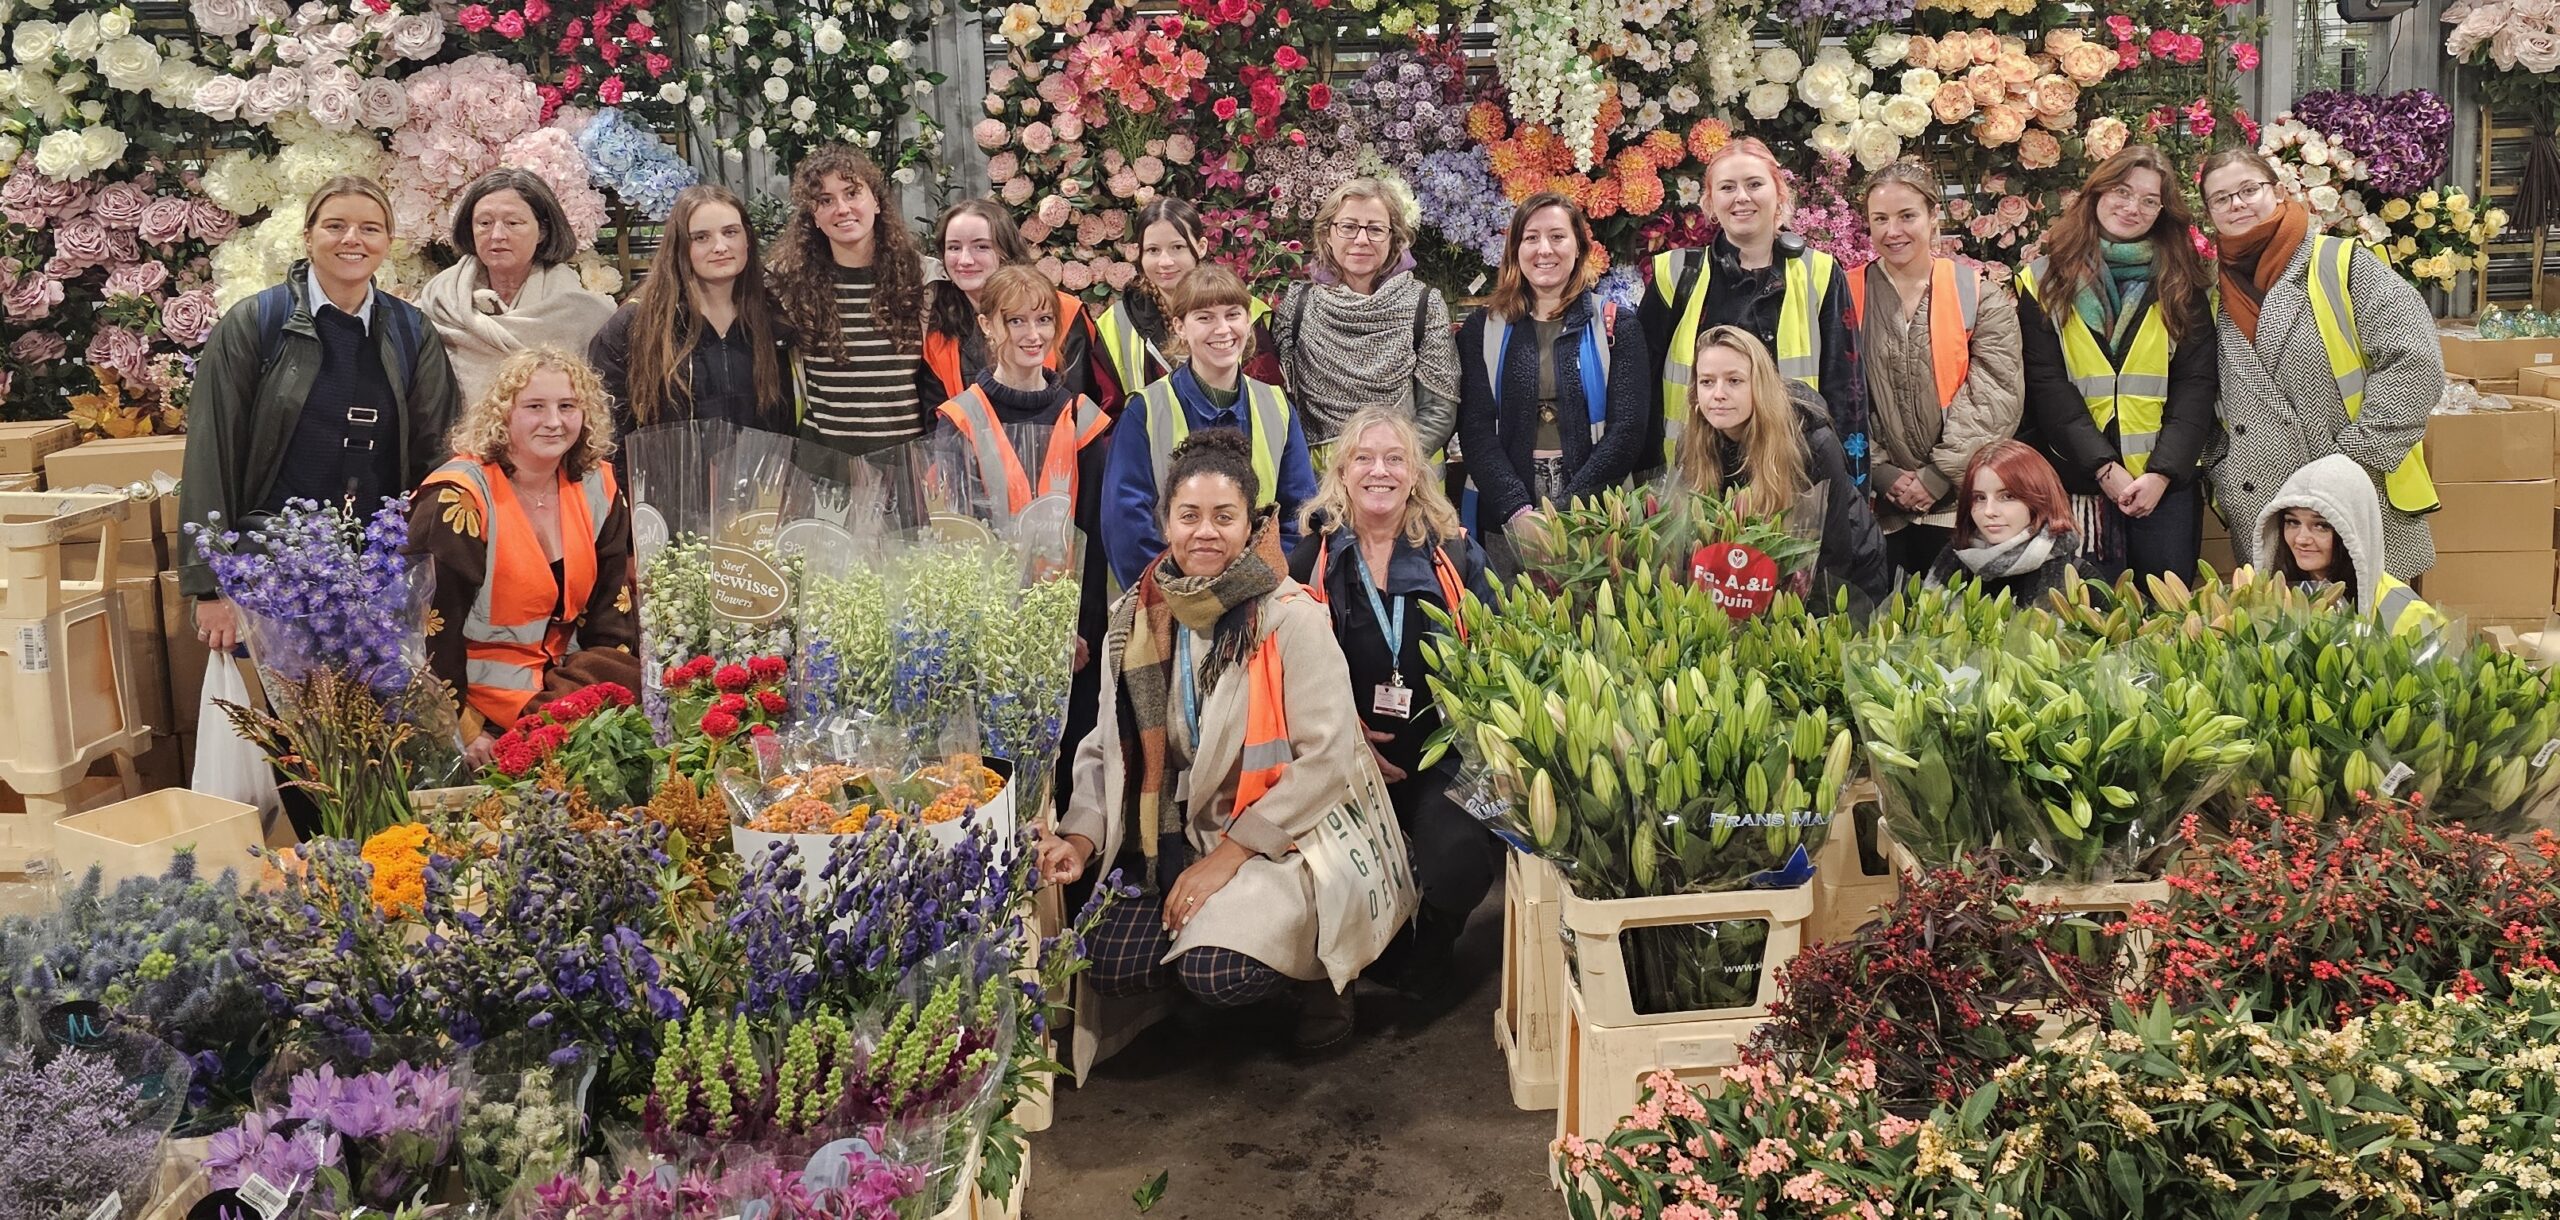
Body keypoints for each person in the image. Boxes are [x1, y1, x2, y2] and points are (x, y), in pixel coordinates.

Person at [1041, 428, 1378, 1053]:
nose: (1205, 532)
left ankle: (1316, 982)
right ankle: (1192, 957)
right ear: (1165, 522)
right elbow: (1104, 748)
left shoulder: (1289, 616)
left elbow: (1327, 760)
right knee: (1107, 962)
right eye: (1189, 515)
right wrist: (1082, 837)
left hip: (1277, 839)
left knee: (1219, 972)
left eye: (1224, 517)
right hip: (1171, 839)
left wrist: (1228, 856)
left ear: (1250, 526)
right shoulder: (1134, 615)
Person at [180, 175, 461, 652]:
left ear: (388, 243)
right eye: (336, 226)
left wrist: (440, 566)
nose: (353, 239)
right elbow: (212, 453)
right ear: (308, 237)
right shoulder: (256, 324)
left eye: (370, 229)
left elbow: (439, 456)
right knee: (287, 718)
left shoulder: (412, 331)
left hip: (378, 567)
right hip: (272, 564)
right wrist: (209, 586)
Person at [1288, 407, 1497, 999]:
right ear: (1342, 472)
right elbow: (1284, 675)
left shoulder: (1454, 556)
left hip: (1438, 756)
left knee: (1460, 865)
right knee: (1320, 877)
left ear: (1416, 474)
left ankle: (1428, 949)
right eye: (1364, 458)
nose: (1379, 471)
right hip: (1341, 758)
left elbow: (1498, 654)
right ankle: (1336, 980)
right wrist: (1344, 736)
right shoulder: (1314, 561)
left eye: (1394, 459)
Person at [2202, 147, 2441, 582]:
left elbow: (2415, 358)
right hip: (2264, 509)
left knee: (2376, 640)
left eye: (2248, 190)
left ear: (2277, 191)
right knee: (2278, 640)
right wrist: (2224, 464)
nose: (2236, 204)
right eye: (2221, 198)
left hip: (2355, 493)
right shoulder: (2211, 291)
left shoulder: (2340, 263)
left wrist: (2353, 461)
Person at [412, 347, 640, 763]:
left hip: (564, 693)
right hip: (479, 706)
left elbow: (613, 619)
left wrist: (605, 715)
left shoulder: (599, 486)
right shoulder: (457, 499)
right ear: (504, 415)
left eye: (567, 406)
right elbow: (427, 633)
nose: (554, 422)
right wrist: (465, 730)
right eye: (535, 406)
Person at [2013, 147, 2218, 583]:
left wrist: (2161, 474)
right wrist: (2103, 468)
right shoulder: (2043, 280)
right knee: (2084, 621)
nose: (2133, 208)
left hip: (2164, 487)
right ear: (2097, 193)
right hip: (2077, 479)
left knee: (2167, 621)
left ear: (2164, 211)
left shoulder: (2183, 279)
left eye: (2149, 200)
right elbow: (2047, 385)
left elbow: (2195, 385)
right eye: (2122, 192)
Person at [930, 263, 1113, 714]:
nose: (1032, 334)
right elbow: (959, 542)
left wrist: (1078, 627)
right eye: (1016, 321)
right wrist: (1002, 628)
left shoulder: (1081, 418)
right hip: (989, 635)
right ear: (987, 326)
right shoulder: (961, 419)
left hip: (1074, 638)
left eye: (1043, 319)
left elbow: (1096, 534)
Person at [1641, 138, 1864, 482]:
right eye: (1727, 187)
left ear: (1779, 195)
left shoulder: (1818, 274)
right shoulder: (1676, 275)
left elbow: (1846, 389)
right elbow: (1643, 388)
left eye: (1754, 184)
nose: (1741, 197)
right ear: (1711, 202)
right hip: (1696, 478)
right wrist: (1648, 484)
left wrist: (1851, 490)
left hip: (1794, 476)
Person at [1851, 161, 2026, 579]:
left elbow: (1996, 395)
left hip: (1959, 508)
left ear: (1934, 217)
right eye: (1880, 219)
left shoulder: (1978, 294)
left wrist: (1937, 476)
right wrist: (1881, 473)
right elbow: (1836, 394)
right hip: (1877, 508)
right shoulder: (1844, 293)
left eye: (1907, 216)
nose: (1893, 231)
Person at [1101, 265, 1318, 589]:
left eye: (1233, 315)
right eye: (1204, 317)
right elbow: (1126, 525)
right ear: (1180, 327)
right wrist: (1180, 595)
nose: (1222, 329)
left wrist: (1260, 584)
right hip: (1170, 600)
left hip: (1260, 600)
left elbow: (1298, 515)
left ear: (1248, 321)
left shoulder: (1276, 407)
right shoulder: (1145, 411)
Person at [1454, 192, 1648, 553]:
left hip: (1597, 506)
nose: (1544, 249)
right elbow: (1475, 429)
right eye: (1531, 238)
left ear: (1578, 248)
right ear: (1515, 251)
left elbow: (1627, 432)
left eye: (1558, 237)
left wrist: (1566, 511)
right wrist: (1518, 511)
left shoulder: (1616, 327)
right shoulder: (1483, 329)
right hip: (1504, 509)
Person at [1675, 325, 1890, 604]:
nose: (1718, 393)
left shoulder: (1812, 442)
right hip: (1752, 580)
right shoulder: (1690, 443)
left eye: (1734, 381)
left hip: (1844, 577)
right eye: (1706, 381)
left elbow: (1834, 551)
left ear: (1760, 385)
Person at [1272, 175, 1459, 456]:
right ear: (1327, 234)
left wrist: (1389, 465)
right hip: (1319, 483)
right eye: (1348, 227)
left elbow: (1439, 410)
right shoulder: (1298, 304)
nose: (1361, 240)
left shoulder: (1423, 304)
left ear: (1394, 238)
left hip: (1403, 480)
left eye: (1375, 229)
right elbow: (1283, 407)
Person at [771, 144, 939, 456]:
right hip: (824, 469)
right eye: (825, 200)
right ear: (814, 217)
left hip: (906, 466)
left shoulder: (923, 280)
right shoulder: (791, 286)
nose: (842, 208)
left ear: (876, 201)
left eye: (852, 193)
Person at [587, 185, 794, 438]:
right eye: (701, 237)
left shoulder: (773, 318)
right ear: (679, 246)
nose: (720, 247)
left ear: (747, 239)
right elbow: (608, 429)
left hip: (760, 476)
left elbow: (787, 422)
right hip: (669, 476)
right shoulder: (636, 324)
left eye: (730, 232)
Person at [417, 169, 616, 403]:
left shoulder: (582, 314)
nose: (497, 235)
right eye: (484, 223)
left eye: (513, 222)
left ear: (542, 230)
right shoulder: (438, 302)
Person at [919, 199, 1116, 412]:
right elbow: (936, 425)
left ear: (1006, 250)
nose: (965, 260)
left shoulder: (1063, 311)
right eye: (954, 247)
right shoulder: (935, 324)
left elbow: (1084, 408)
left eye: (981, 246)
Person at [1093, 196, 1285, 392]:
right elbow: (1110, 408)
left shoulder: (1243, 311)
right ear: (1139, 253)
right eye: (1153, 250)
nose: (1165, 261)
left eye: (1177, 247)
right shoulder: (1118, 323)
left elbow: (1268, 400)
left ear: (1201, 247)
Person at [2251, 454, 2442, 634]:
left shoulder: (2408, 612)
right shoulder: (2275, 597)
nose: (2301, 539)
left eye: (2321, 526)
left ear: (2353, 532)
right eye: (2293, 522)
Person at [1923, 440, 2091, 603]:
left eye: (2007, 497)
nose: (1989, 511)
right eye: (1979, 498)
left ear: (2040, 498)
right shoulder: (1952, 563)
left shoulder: (2081, 579)